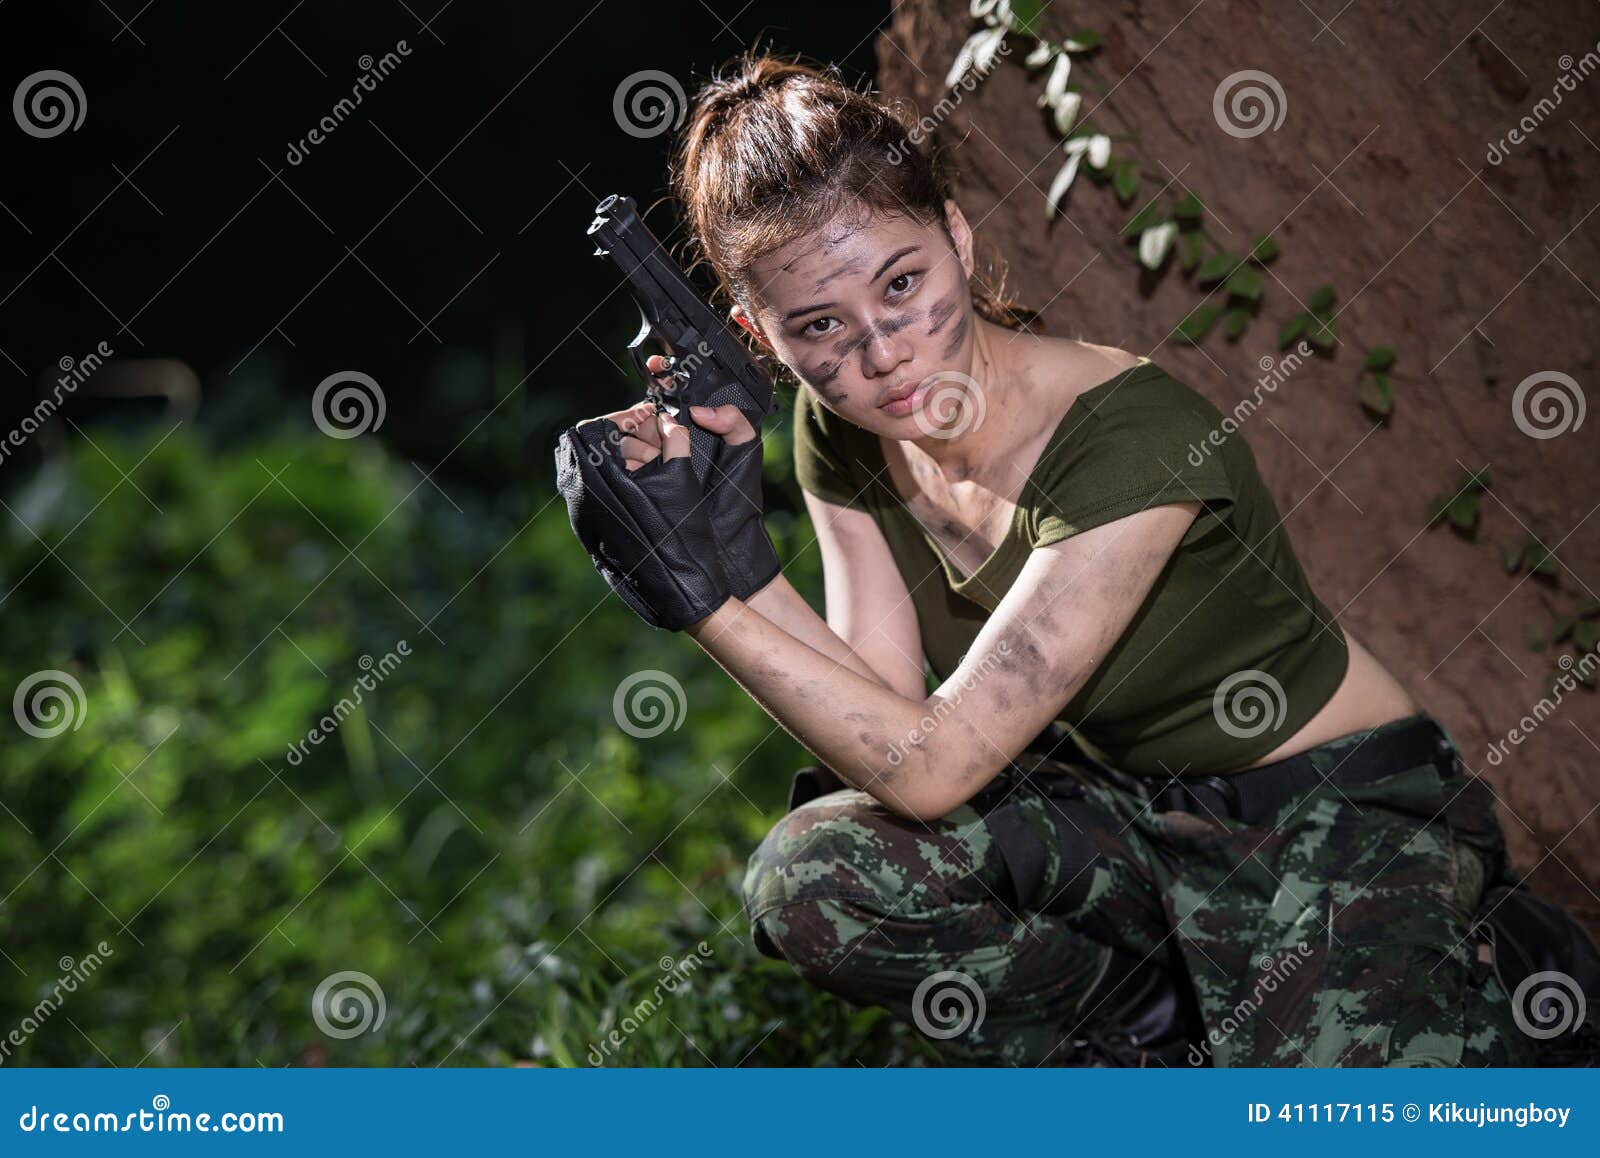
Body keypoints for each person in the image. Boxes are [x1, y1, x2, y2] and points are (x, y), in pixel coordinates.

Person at [556, 51, 1564, 1067]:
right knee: (813, 871)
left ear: (955, 235)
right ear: (756, 335)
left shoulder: (1131, 437)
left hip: (1333, 812)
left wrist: (703, 600)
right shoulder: (841, 426)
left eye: (902, 284)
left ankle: (1486, 974)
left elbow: (935, 764)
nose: (882, 352)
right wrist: (737, 556)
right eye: (820, 326)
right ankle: (1136, 1035)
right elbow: (878, 714)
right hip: (1131, 822)